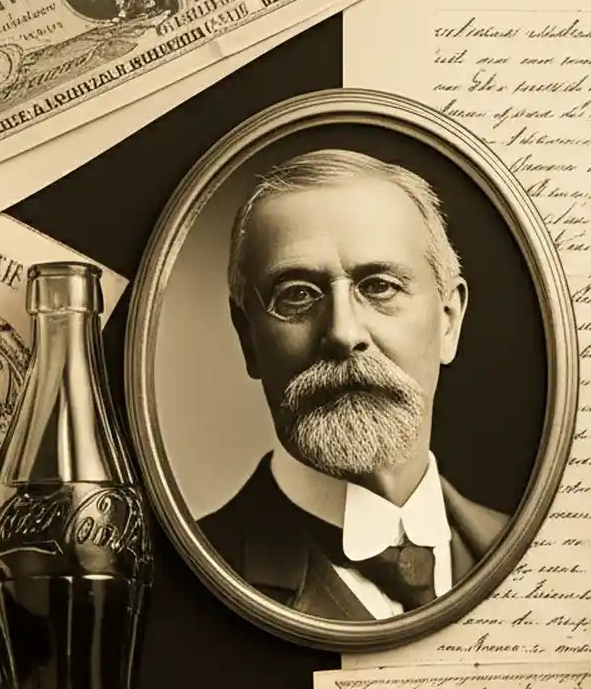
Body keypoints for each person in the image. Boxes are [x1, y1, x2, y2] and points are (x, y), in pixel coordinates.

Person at [197, 148, 508, 622]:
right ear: (249, 341)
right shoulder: (172, 591)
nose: (343, 333)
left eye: (379, 286)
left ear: (449, 322)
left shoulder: (536, 554)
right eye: (297, 294)